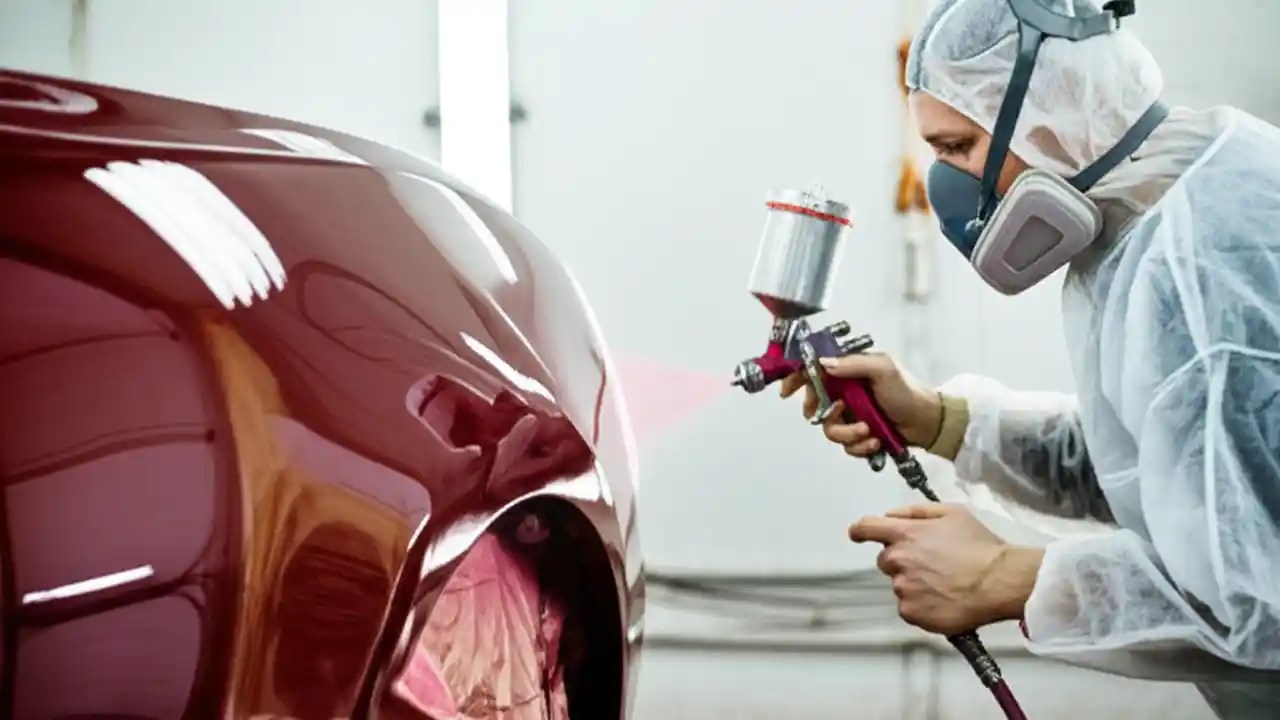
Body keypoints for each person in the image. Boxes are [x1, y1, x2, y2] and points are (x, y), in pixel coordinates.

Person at [783, 0, 1280, 716]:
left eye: (956, 148)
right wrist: (936, 419)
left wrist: (1004, 575)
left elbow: (1257, 592)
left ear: (1045, 110)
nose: (948, 185)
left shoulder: (1206, 255)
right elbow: (1164, 472)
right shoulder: (1152, 214)